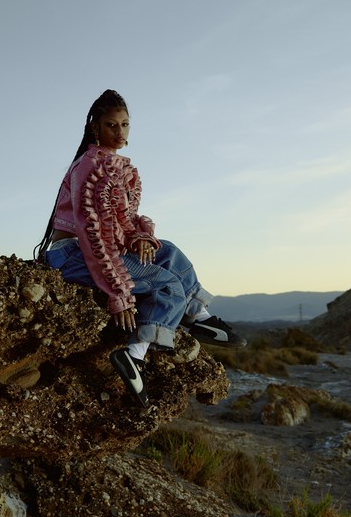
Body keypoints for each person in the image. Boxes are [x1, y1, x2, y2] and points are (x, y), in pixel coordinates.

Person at [34, 89, 246, 408]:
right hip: (73, 254)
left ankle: (197, 315)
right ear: (95, 127)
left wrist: (140, 238)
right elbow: (94, 235)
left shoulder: (115, 166)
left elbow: (122, 220)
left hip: (95, 246)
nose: (119, 132)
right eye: (111, 125)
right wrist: (117, 291)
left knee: (168, 251)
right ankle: (134, 355)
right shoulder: (89, 167)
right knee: (168, 285)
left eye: (125, 124)